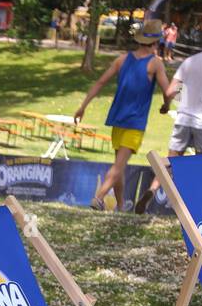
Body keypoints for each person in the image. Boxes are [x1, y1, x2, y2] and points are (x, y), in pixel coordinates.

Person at [74, 15, 174, 211]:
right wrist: (166, 106)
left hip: (117, 118)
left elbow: (100, 82)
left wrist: (83, 106)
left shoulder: (122, 59)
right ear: (156, 42)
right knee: (118, 166)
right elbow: (168, 91)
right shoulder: (155, 63)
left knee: (118, 165)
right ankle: (99, 198)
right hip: (134, 122)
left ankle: (120, 206)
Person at [135, 24, 202, 213]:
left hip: (183, 119)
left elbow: (170, 90)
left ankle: (152, 189)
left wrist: (166, 106)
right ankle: (197, 208)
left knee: (171, 160)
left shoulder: (190, 61)